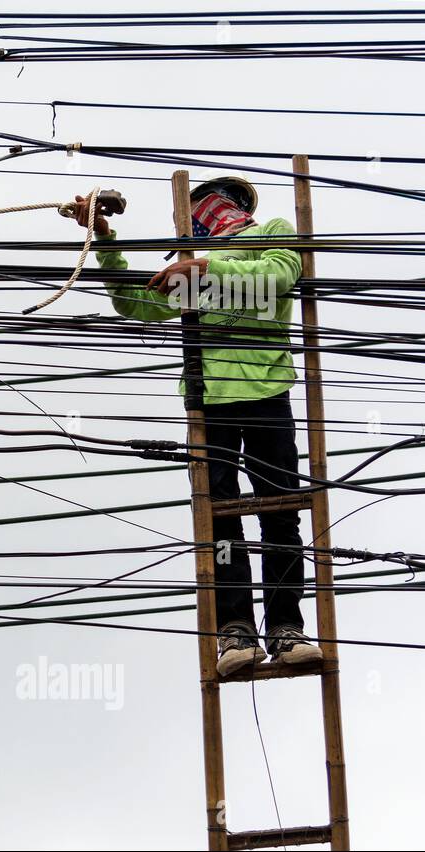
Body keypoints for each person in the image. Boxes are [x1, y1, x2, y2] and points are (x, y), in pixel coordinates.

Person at [69, 177, 323, 676]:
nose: (195, 221)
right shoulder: (187, 269)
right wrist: (104, 239)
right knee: (220, 520)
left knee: (282, 514)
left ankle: (287, 628)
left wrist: (204, 265)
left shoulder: (269, 232)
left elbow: (279, 275)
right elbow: (136, 306)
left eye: (195, 211)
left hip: (268, 393)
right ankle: (236, 631)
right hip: (207, 403)